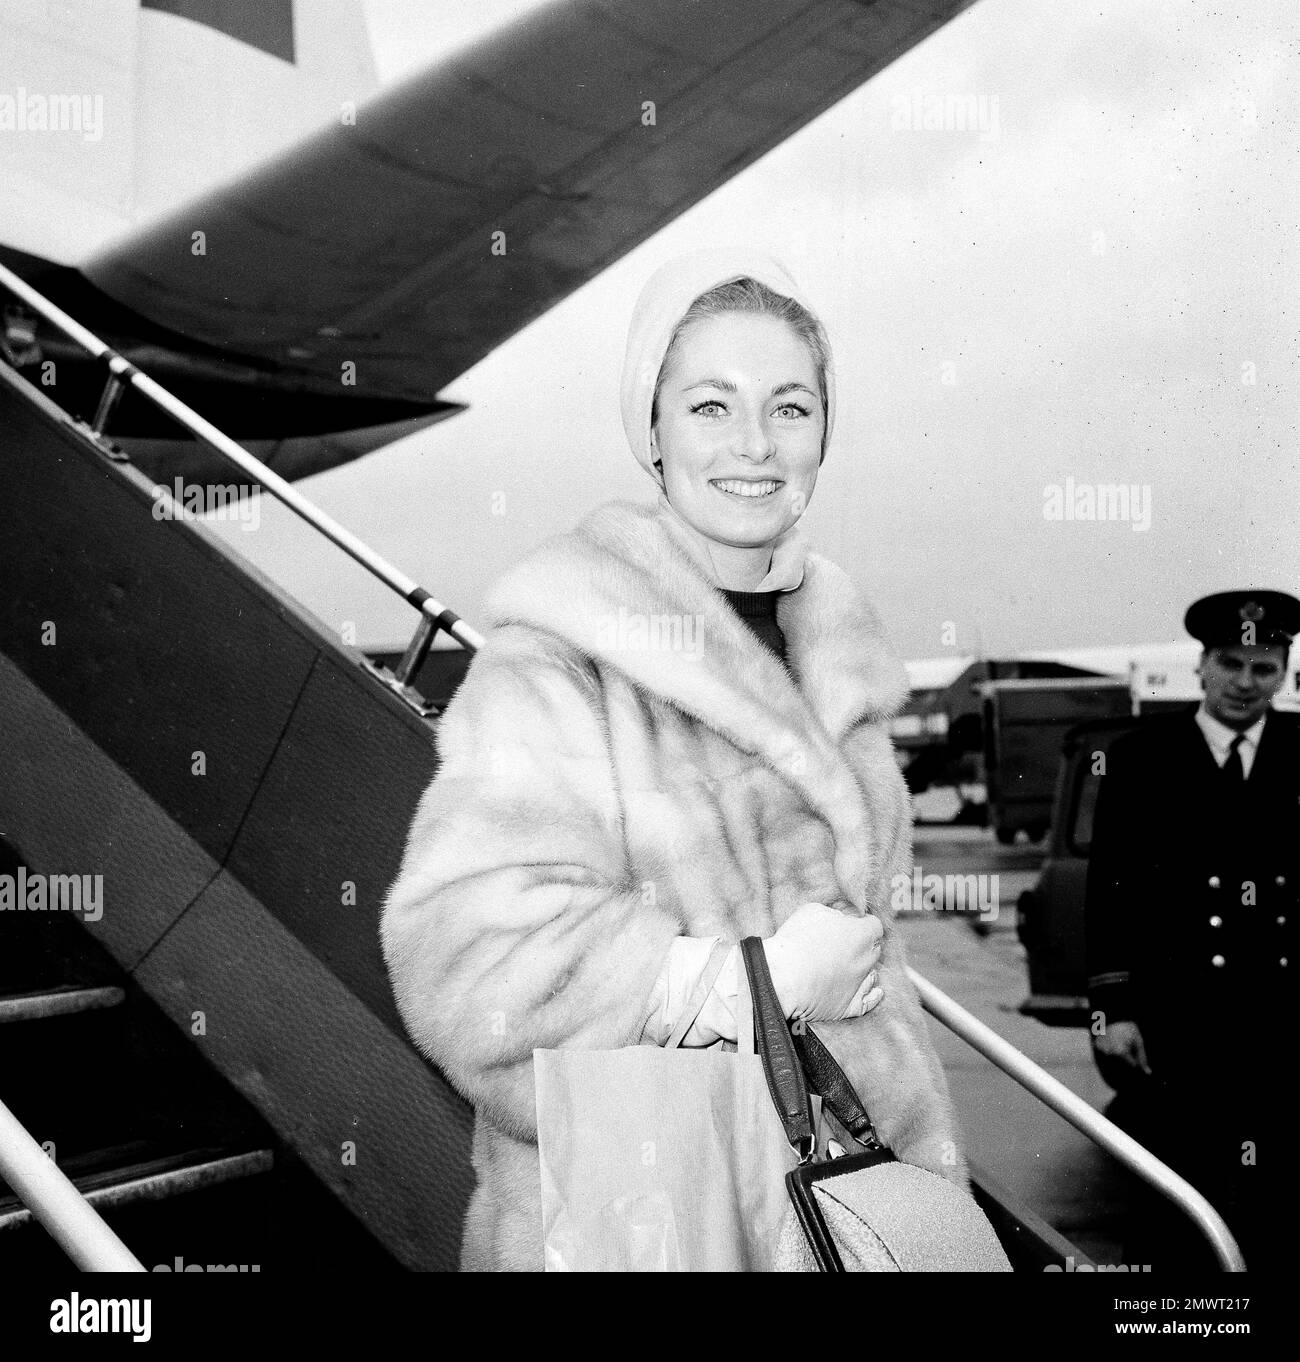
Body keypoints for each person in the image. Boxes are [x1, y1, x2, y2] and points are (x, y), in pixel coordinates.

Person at [380, 249, 964, 1272]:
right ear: (651, 431)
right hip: (651, 1223)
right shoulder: (561, 655)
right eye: (709, 406)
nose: (755, 444)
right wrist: (746, 983)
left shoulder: (835, 655)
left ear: (825, 431)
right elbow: (462, 962)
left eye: (790, 407)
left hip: (856, 1201)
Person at [1086, 589, 1300, 1271]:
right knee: (1176, 1205)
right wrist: (1113, 1009)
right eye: (1231, 663)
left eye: (1263, 668)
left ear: (1285, 674)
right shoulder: (1142, 757)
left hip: (1284, 1022)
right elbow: (1109, 891)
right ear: (1201, 666)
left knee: (1281, 1203)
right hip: (1178, 1023)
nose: (1245, 682)